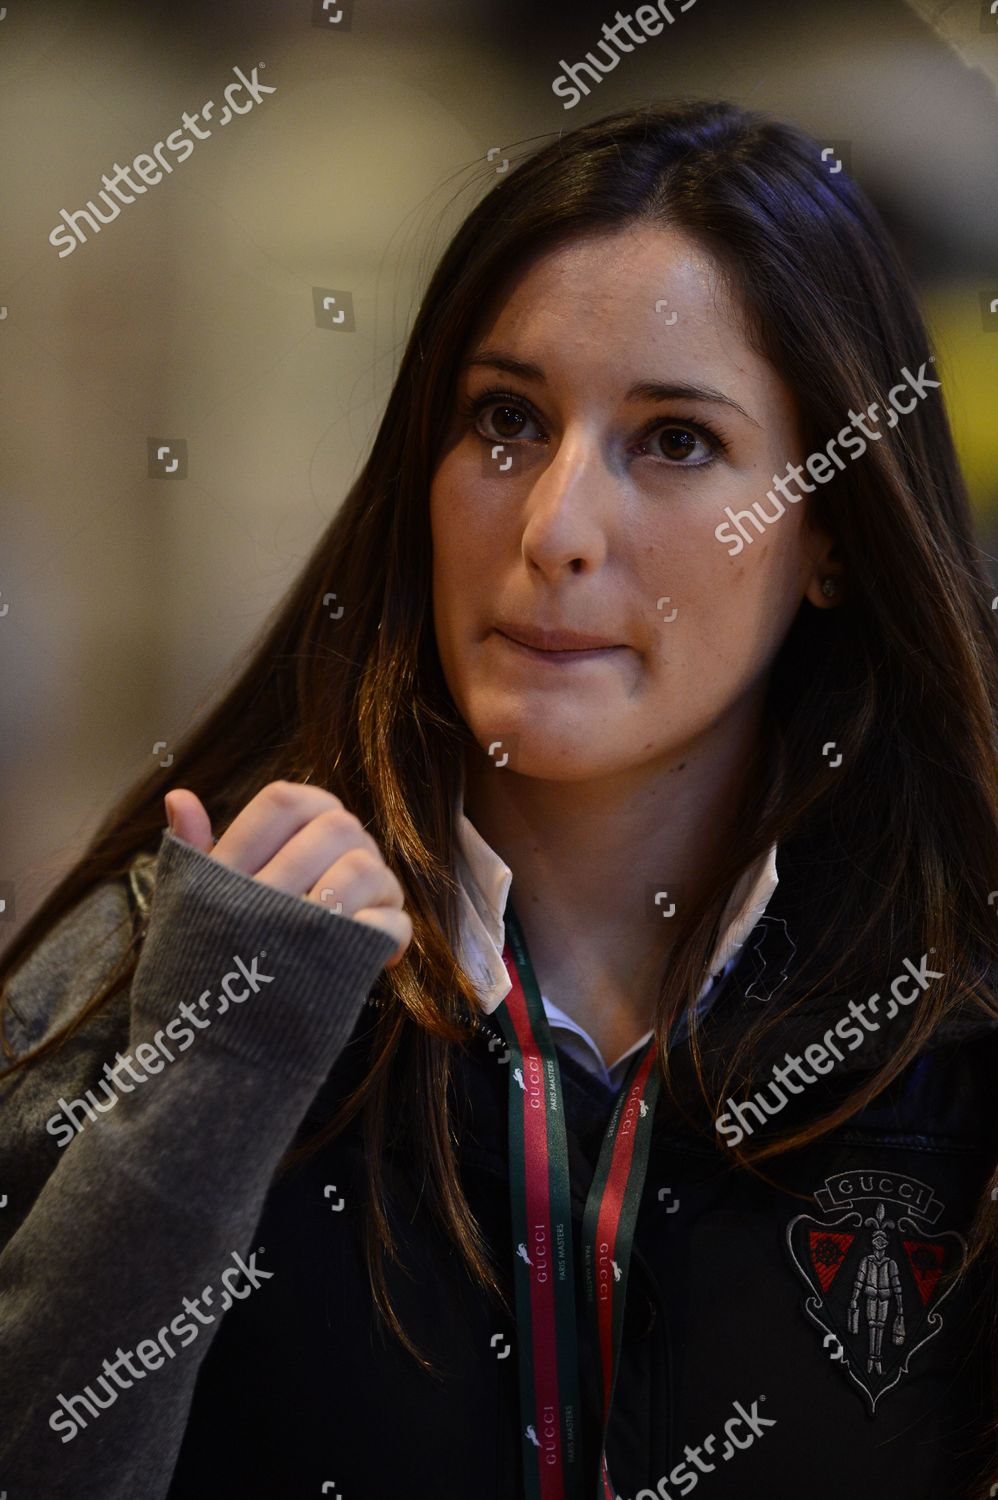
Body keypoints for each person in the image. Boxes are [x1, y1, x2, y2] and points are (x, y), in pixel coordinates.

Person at [1, 98, 996, 1500]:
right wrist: (216, 1074)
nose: (554, 530)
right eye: (507, 421)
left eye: (674, 442)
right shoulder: (189, 957)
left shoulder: (948, 1016)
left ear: (831, 531)